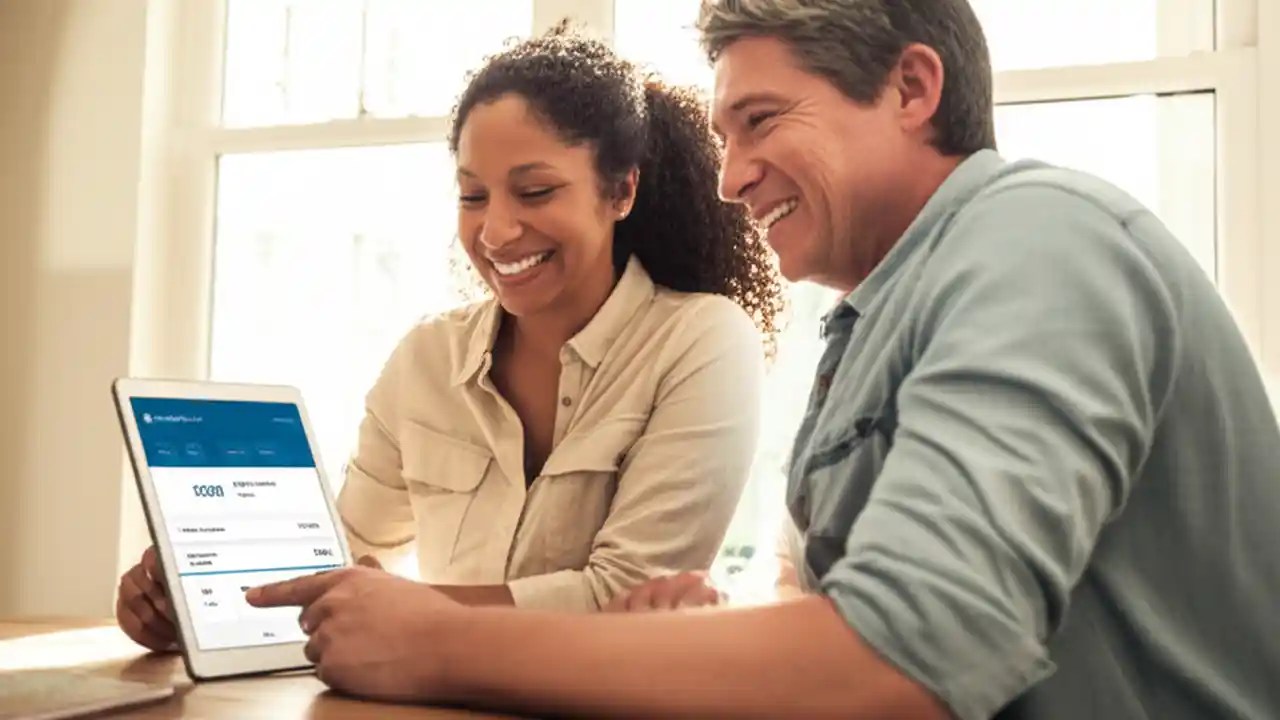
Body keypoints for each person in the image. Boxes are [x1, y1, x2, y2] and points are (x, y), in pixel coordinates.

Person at [243, 1, 1280, 718]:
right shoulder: (869, 329)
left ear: (911, 87)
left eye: (760, 121)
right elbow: (862, 626)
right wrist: (701, 634)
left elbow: (909, 660)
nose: (731, 178)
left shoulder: (1038, 241)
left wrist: (438, 640)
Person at [114, 25, 786, 653]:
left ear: (621, 191)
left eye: (535, 191)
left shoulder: (701, 343)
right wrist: (202, 604)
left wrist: (400, 614)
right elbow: (340, 558)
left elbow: (624, 596)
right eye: (473, 197)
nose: (495, 233)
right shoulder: (427, 360)